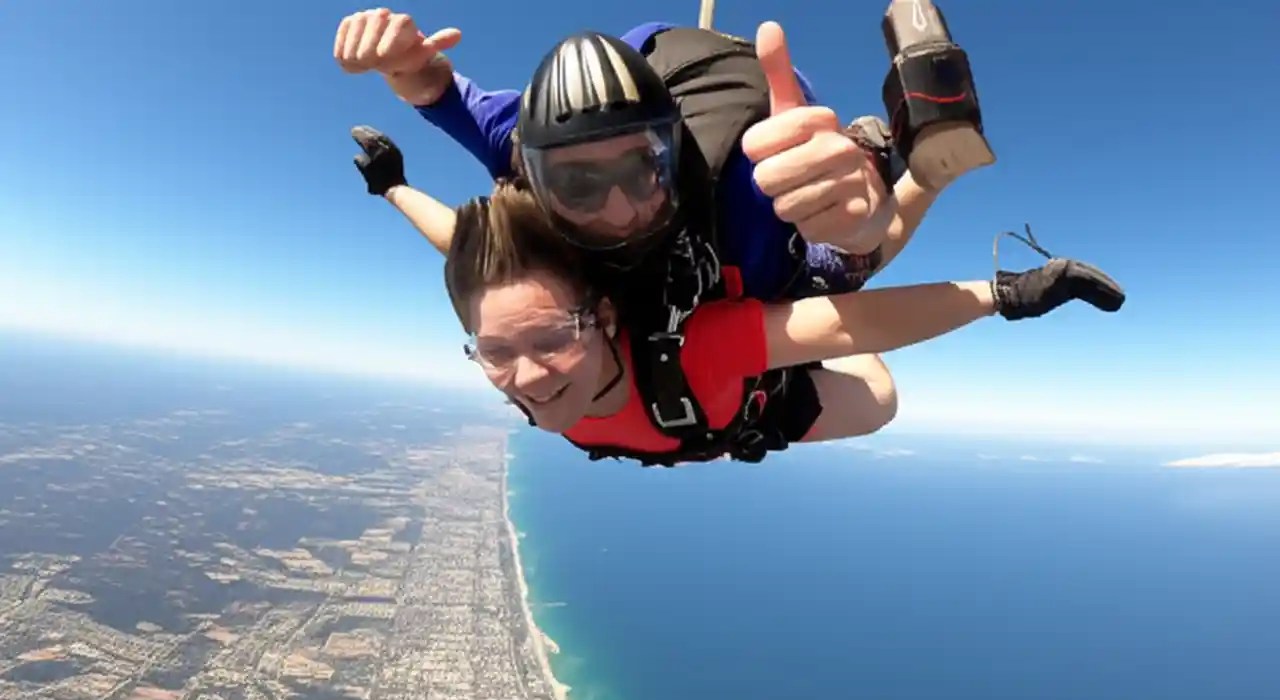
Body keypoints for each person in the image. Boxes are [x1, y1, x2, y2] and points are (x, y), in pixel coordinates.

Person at [441, 182, 1125, 467]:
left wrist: (1004, 295)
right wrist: (391, 187)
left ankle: (923, 167)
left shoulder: (693, 353)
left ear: (603, 317)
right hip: (749, 408)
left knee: (853, 290)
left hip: (747, 372)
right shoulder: (521, 331)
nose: (524, 376)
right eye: (495, 353)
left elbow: (855, 326)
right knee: (870, 378)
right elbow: (451, 240)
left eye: (552, 341)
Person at [334, 11, 949, 300]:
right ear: (537, 181)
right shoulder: (523, 146)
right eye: (579, 185)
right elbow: (436, 89)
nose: (621, 207)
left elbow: (847, 224)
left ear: (673, 146)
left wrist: (856, 218)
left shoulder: (747, 187)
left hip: (758, 208)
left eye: (640, 169)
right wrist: (403, 69)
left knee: (849, 267)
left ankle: (902, 153)